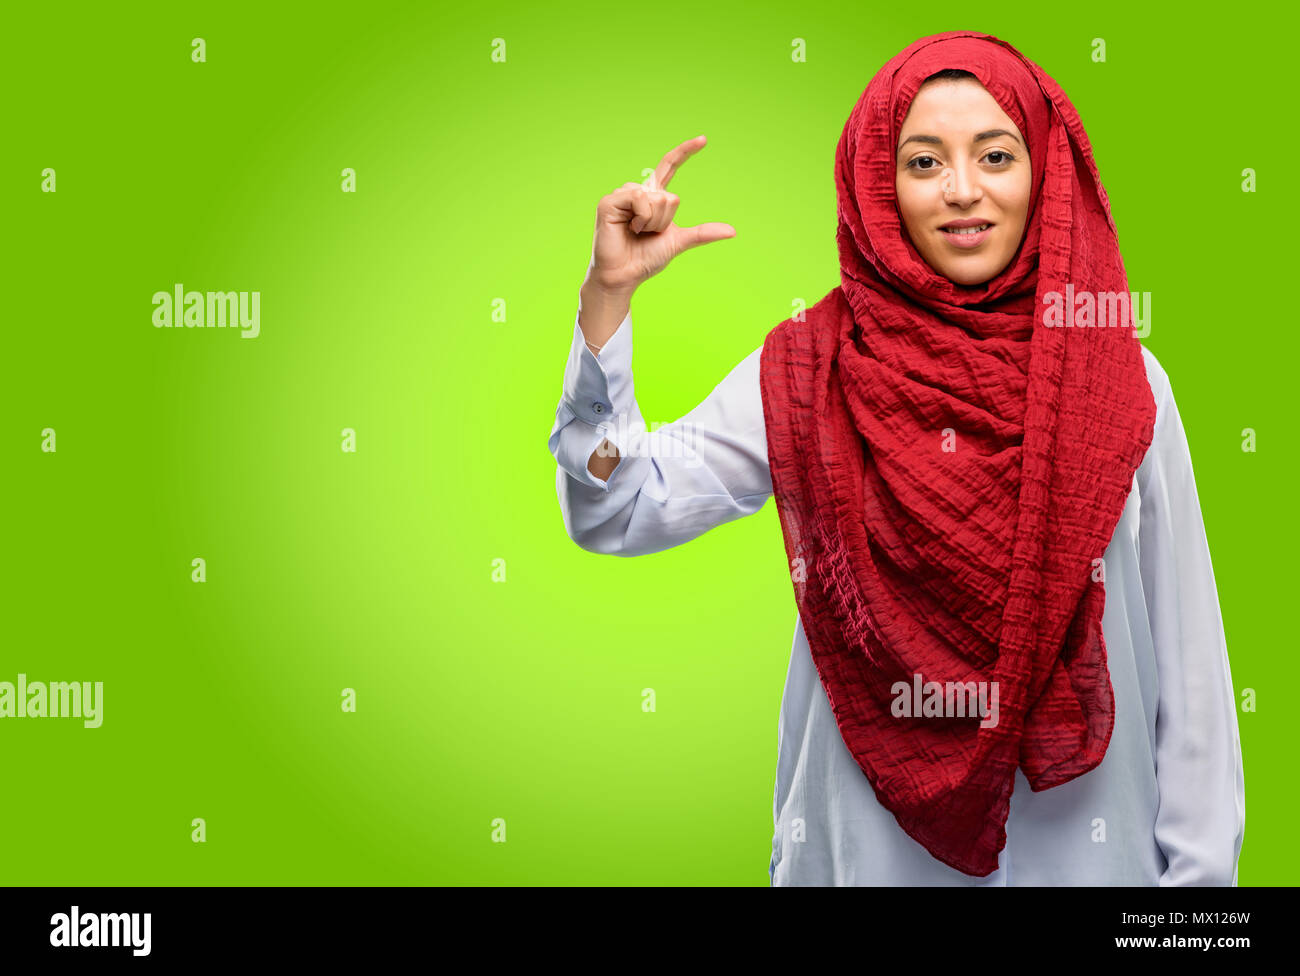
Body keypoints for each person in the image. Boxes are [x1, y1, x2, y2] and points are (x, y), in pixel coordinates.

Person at [547, 30, 1245, 886]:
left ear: (1044, 174)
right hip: (862, 857)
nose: (962, 192)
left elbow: (1189, 658)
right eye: (922, 163)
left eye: (996, 154)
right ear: (879, 185)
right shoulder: (812, 367)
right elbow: (616, 507)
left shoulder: (1120, 376)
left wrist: (1199, 903)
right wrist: (608, 298)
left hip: (1092, 857)